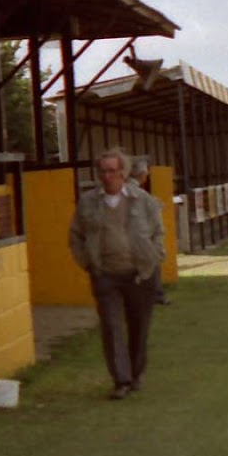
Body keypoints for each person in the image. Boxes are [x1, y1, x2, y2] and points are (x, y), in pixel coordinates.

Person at [69, 145, 166, 399]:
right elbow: (76, 236)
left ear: (123, 172)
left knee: (139, 326)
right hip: (105, 274)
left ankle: (136, 374)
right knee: (112, 328)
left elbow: (158, 232)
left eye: (111, 171)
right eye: (102, 171)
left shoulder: (143, 200)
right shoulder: (88, 202)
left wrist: (155, 256)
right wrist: (88, 263)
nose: (106, 176)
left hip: (139, 272)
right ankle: (121, 380)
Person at [128, 158, 171, 306]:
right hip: (141, 238)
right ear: (142, 175)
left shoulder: (124, 190)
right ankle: (156, 295)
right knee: (151, 265)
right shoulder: (141, 195)